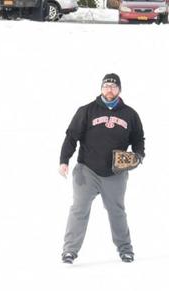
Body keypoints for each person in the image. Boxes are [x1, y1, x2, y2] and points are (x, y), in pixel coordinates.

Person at [58, 73, 145, 265]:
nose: (109, 89)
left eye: (113, 86)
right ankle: (69, 251)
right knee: (79, 210)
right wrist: (64, 160)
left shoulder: (130, 114)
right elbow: (71, 136)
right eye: (106, 86)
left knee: (117, 212)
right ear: (101, 88)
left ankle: (126, 250)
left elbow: (138, 140)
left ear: (119, 89)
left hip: (115, 172)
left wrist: (139, 155)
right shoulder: (87, 110)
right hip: (87, 170)